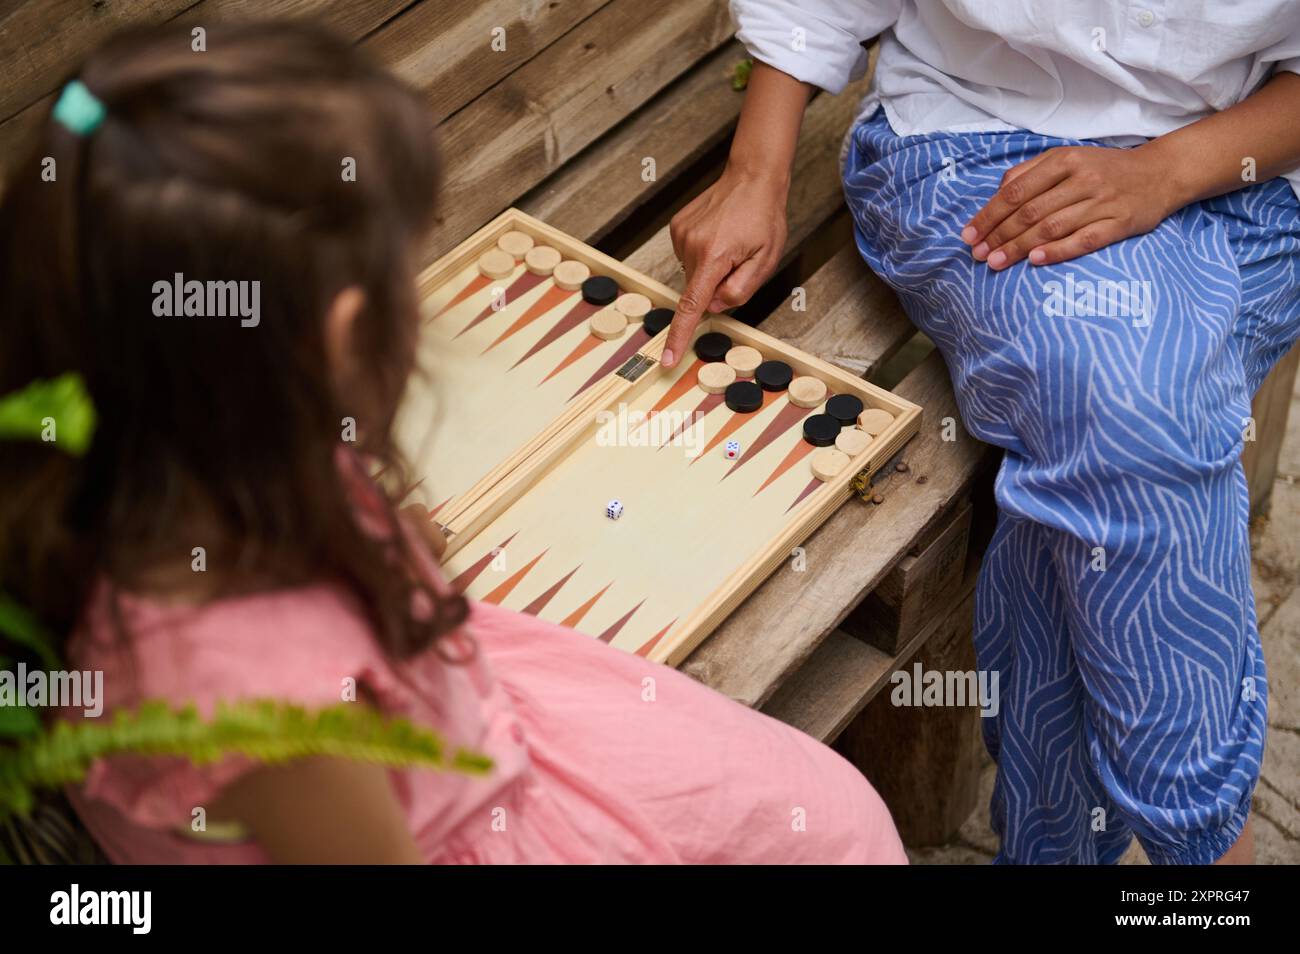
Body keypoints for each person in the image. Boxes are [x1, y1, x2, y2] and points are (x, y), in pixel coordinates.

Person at [0, 21, 906, 865]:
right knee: (841, 834)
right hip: (469, 815)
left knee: (834, 810)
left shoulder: (179, 446)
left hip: (456, 704)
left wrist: (377, 549)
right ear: (348, 339)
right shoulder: (272, 717)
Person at [666, 1, 1300, 864]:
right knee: (1127, 418)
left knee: (1116, 442)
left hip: (1242, 170)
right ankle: (1212, 859)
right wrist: (756, 172)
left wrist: (1165, 174)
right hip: (978, 143)